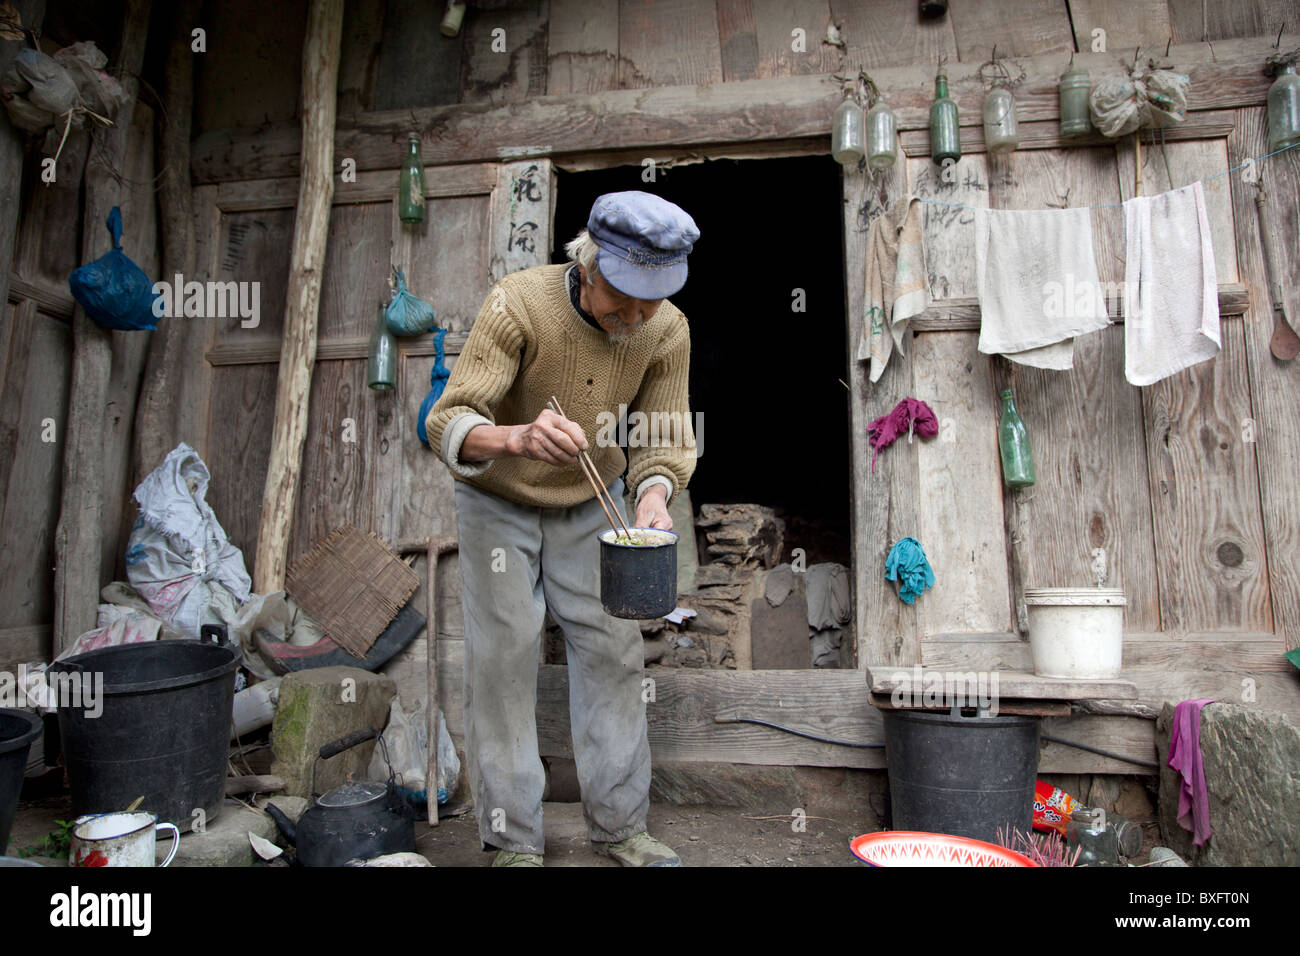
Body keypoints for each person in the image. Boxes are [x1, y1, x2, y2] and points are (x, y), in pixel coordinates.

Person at [424, 190, 699, 867]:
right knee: (503, 660)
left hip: (593, 499)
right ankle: (512, 841)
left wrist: (654, 496)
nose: (633, 320)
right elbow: (448, 421)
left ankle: (621, 827)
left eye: (649, 303)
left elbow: (663, 437)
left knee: (613, 653)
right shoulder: (517, 303)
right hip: (498, 499)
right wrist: (515, 437)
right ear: (587, 261)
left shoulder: (666, 332)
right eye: (621, 300)